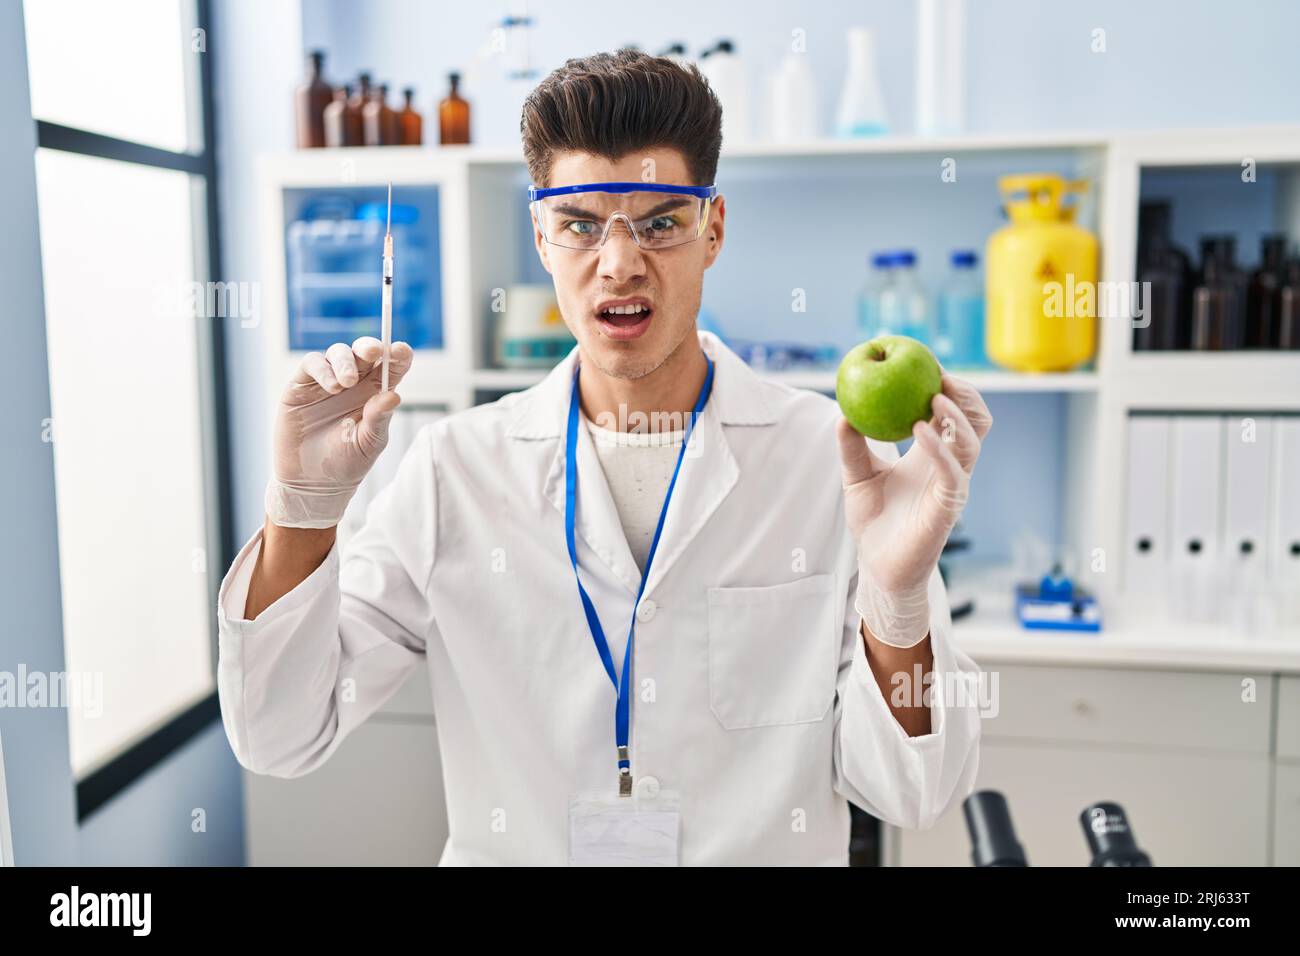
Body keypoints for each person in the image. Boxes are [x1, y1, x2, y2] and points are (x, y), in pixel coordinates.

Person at [217, 49, 993, 866]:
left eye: (660, 222)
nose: (619, 263)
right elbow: (277, 736)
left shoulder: (828, 460)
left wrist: (898, 599)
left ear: (713, 229)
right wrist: (301, 511)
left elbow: (916, 793)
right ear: (542, 237)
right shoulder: (456, 469)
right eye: (581, 224)